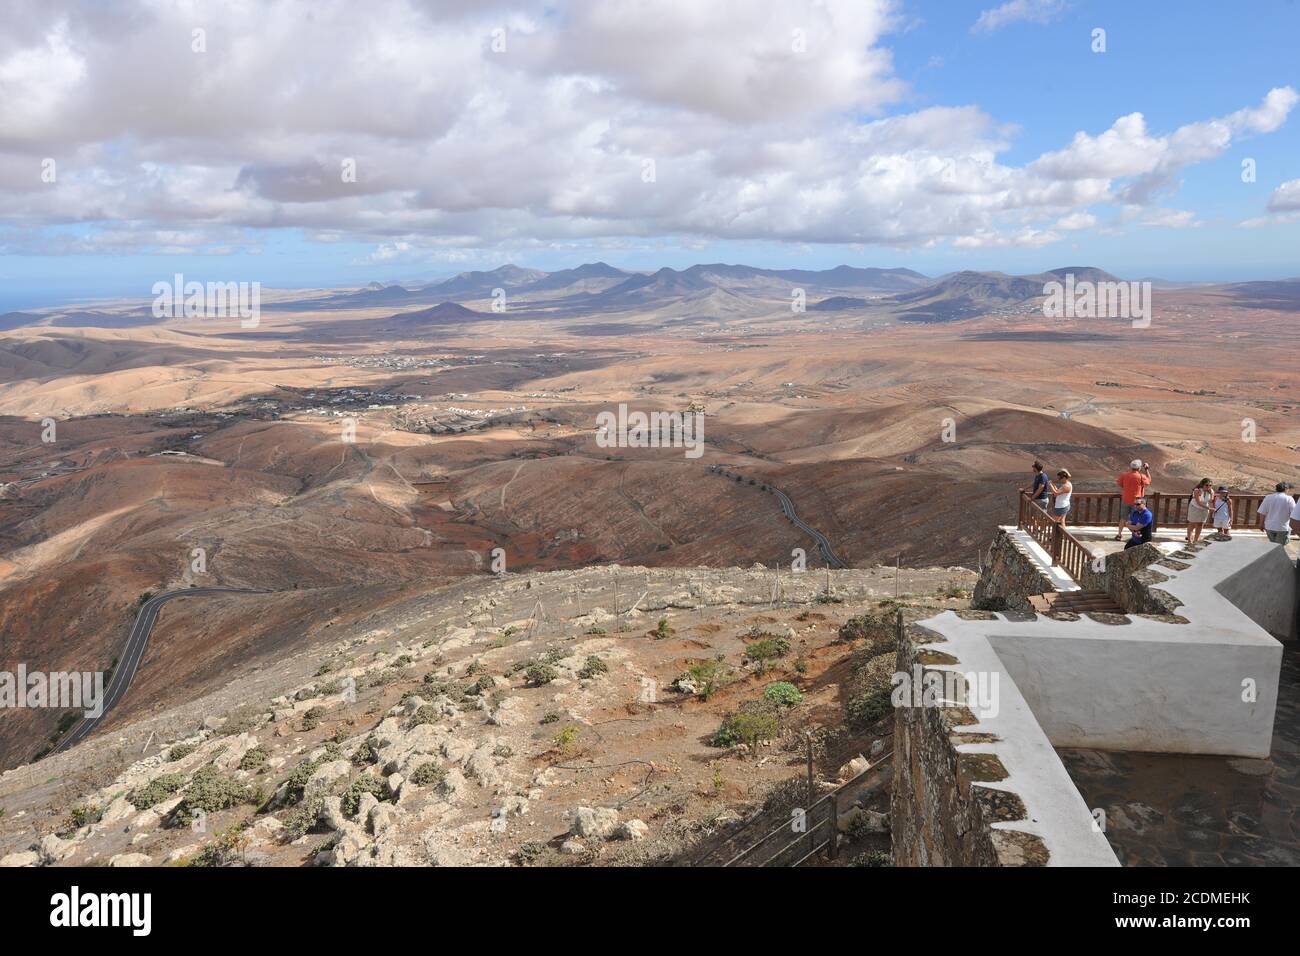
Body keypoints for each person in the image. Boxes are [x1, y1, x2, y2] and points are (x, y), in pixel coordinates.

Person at [1115, 459, 1151, 541]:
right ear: (1139, 468)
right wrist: (1147, 469)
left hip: (1126, 499)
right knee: (1136, 519)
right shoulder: (1141, 476)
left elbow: (1120, 484)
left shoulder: (1124, 475)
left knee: (1123, 518)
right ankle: (1135, 535)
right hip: (1137, 502)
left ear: (1131, 467)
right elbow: (1149, 481)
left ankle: (1119, 534)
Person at [1185, 477, 1213, 545]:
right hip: (1195, 508)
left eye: (1210, 485)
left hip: (1204, 509)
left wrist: (1211, 494)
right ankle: (1189, 540)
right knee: (1192, 524)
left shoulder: (1211, 491)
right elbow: (1199, 502)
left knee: (1200, 524)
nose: (1208, 487)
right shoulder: (1197, 490)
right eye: (1207, 485)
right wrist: (1209, 508)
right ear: (1202, 484)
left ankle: (1196, 539)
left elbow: (1210, 500)